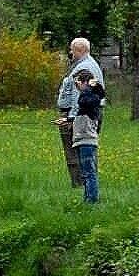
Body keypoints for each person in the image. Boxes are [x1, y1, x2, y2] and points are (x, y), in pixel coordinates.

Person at [53, 37, 105, 188]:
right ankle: (86, 184)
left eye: (72, 50)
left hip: (79, 117)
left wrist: (70, 119)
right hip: (81, 115)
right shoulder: (86, 65)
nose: (70, 53)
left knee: (76, 152)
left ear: (79, 50)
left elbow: (80, 97)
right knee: (82, 151)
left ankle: (81, 185)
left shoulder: (85, 69)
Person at [71, 70, 105, 203]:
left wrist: (90, 86)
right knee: (85, 173)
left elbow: (83, 101)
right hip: (81, 141)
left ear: (85, 83)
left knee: (89, 173)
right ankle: (87, 199)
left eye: (78, 82)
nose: (77, 86)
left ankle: (92, 200)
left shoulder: (90, 100)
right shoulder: (89, 100)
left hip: (87, 142)